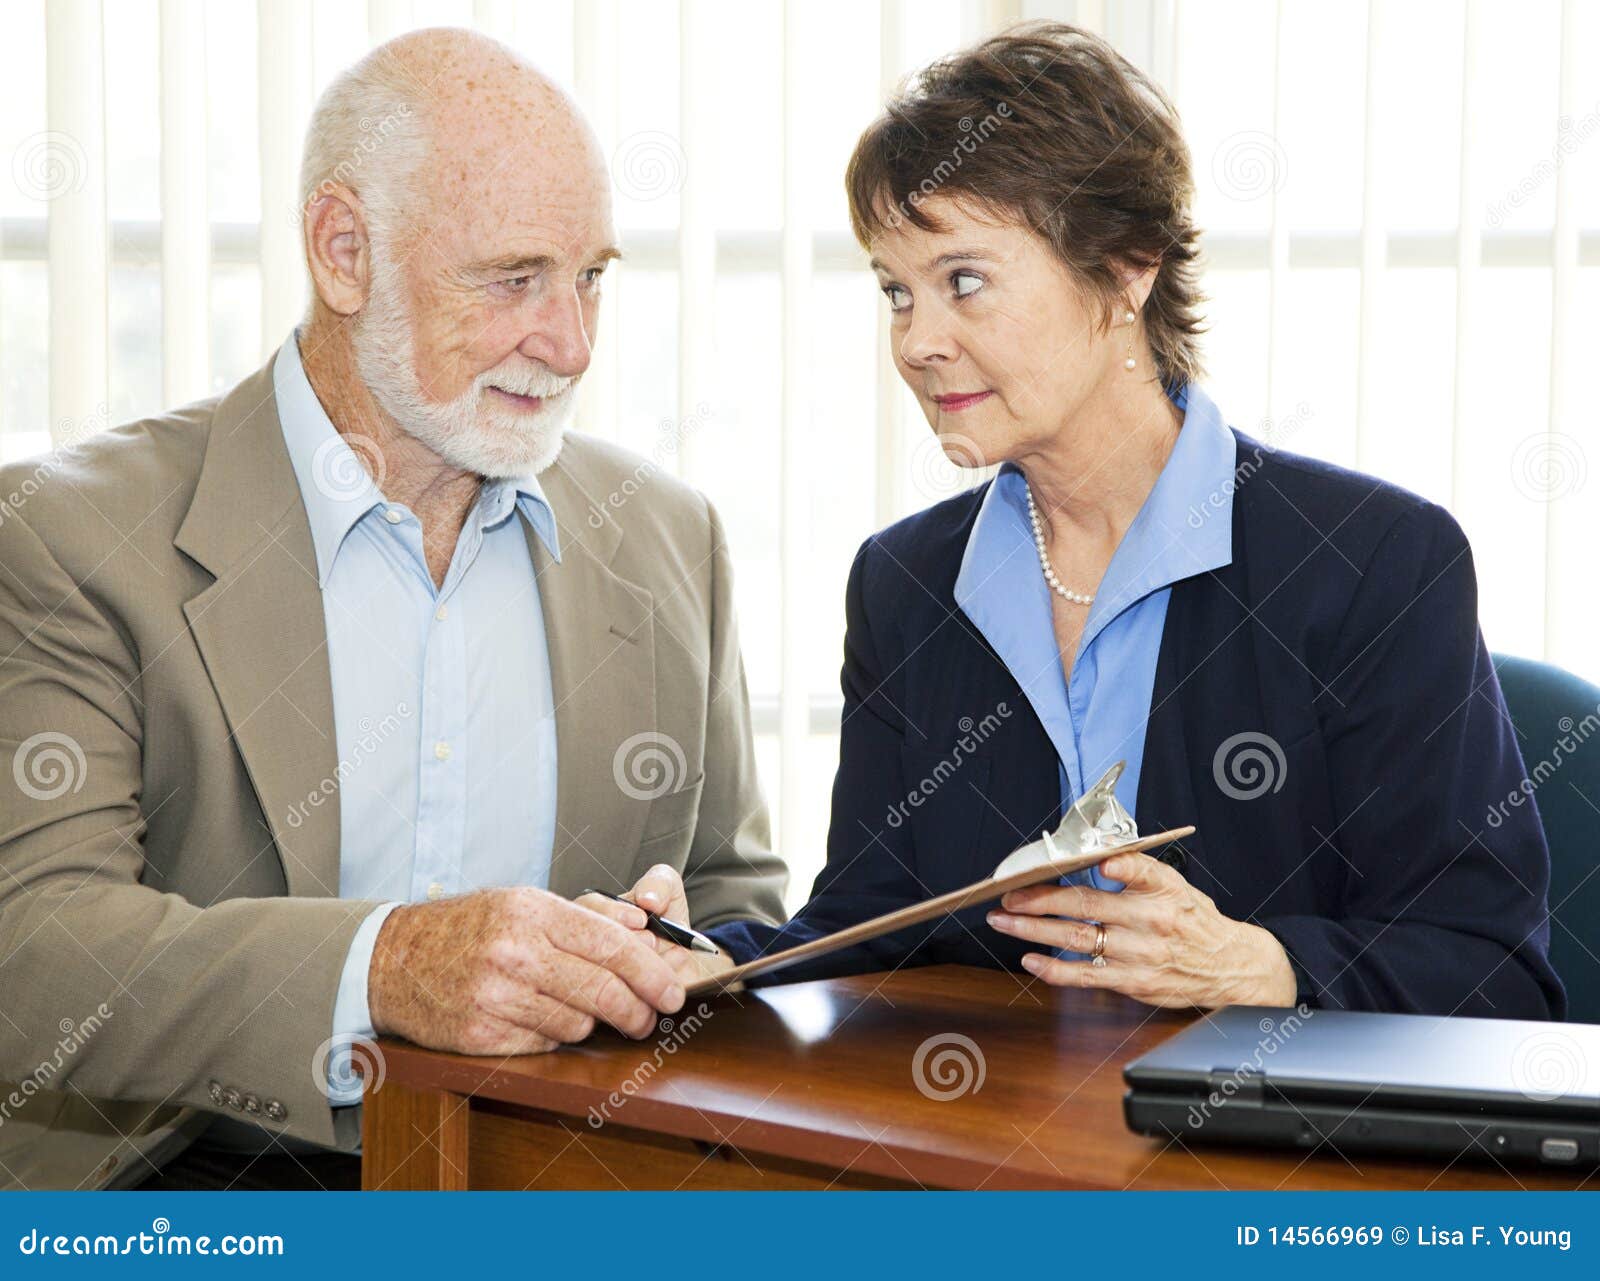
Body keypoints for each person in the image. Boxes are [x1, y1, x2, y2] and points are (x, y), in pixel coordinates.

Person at [0, 28, 785, 1191]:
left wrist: (666, 956)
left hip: (549, 1185)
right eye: (513, 279)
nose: (569, 343)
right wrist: (386, 967)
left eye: (592, 277)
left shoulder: (672, 538)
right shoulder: (67, 537)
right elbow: (35, 952)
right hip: (183, 1191)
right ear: (343, 251)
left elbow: (735, 900)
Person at [701, 22, 1564, 1019]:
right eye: (896, 292)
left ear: (1126, 266)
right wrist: (687, 962)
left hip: (1258, 1165)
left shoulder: (1373, 562)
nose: (917, 342)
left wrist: (1257, 967)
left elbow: (1492, 972)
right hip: (996, 1150)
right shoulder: (904, 583)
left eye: (963, 281)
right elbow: (873, 926)